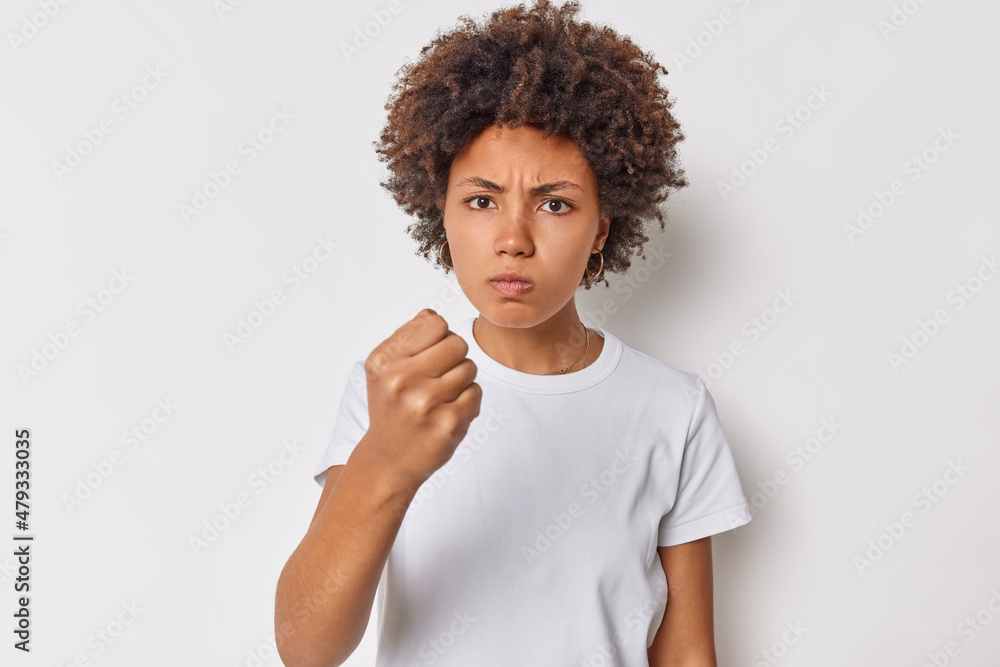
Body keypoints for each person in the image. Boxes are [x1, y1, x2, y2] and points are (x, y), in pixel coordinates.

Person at [274, 1, 752, 665]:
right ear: (440, 213)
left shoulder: (675, 409)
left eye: (555, 203)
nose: (513, 240)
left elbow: (688, 651)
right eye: (481, 200)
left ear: (602, 229)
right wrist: (385, 460)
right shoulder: (397, 389)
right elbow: (305, 645)